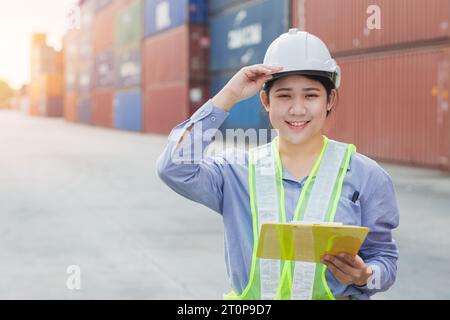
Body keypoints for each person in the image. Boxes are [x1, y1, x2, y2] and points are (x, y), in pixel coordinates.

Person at [157, 29, 399, 300]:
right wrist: (229, 95)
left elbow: (384, 260)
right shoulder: (236, 171)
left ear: (329, 100)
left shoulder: (367, 176)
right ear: (266, 101)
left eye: (310, 96)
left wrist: (366, 275)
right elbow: (173, 167)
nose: (297, 109)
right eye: (284, 96)